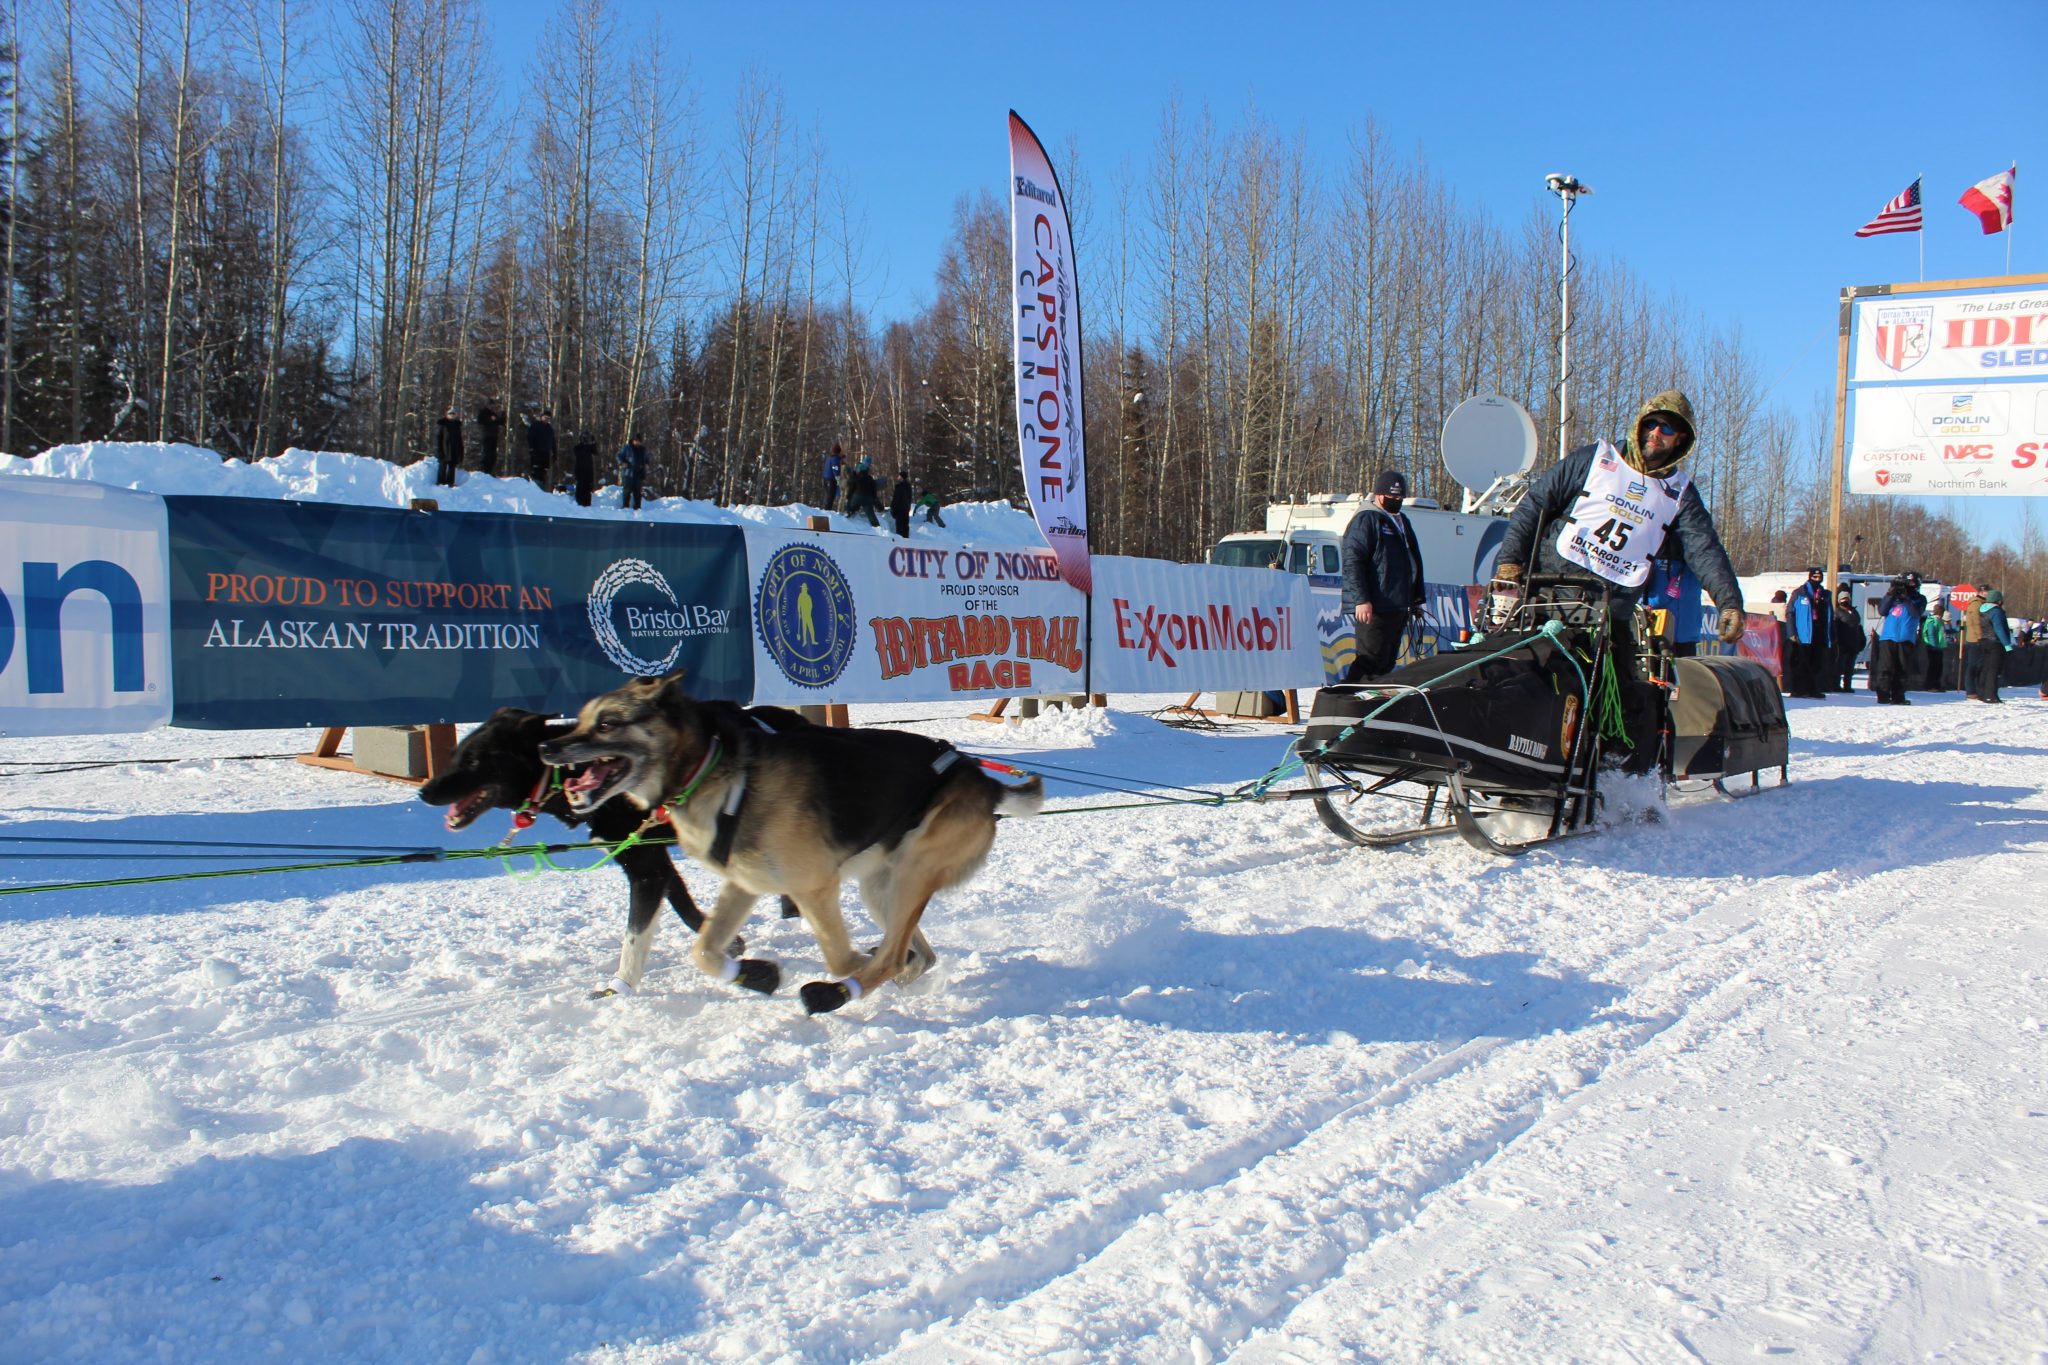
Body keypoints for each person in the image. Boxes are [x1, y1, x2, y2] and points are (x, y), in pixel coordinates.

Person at [1494, 390, 1744, 768]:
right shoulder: (1596, 459)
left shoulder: (1679, 494)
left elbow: (1703, 548)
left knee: (1622, 700)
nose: (1658, 433)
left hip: (1612, 610)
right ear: (1641, 423)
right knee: (1530, 678)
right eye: (1653, 423)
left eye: (1670, 428)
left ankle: (1612, 776)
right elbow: (1536, 504)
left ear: (1681, 439)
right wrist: (1509, 560)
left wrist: (1729, 601)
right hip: (1548, 592)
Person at [1340, 469, 1426, 682]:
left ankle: (1375, 705)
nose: (1396, 501)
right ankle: (1346, 702)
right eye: (1392, 497)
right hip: (1376, 605)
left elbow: (1411, 561)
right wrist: (1361, 599)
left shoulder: (1402, 521)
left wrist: (1414, 598)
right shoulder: (1367, 519)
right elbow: (1353, 561)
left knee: (1386, 663)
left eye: (1400, 498)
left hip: (1397, 604)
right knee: (1369, 661)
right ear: (1379, 496)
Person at [1870, 573, 1925, 705]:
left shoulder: (1919, 599)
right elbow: (1882, 610)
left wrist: (1907, 598)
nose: (1909, 586)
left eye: (1912, 583)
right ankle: (1883, 695)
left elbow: (1916, 612)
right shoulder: (1894, 597)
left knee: (1902, 668)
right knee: (1885, 667)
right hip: (1888, 637)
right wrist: (1891, 593)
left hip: (1906, 638)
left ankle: (1898, 696)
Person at [1783, 566, 1833, 699]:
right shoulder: (1800, 593)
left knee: (1816, 664)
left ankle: (1813, 689)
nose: (1817, 580)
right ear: (1809, 577)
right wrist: (1791, 632)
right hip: (1802, 634)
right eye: (1814, 577)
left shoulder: (1825, 594)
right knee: (1800, 663)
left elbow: (1829, 615)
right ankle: (1798, 689)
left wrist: (1830, 635)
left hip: (1819, 632)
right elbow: (1790, 613)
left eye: (1820, 577)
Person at [1969, 587, 2013, 703]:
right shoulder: (1996, 611)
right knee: (1994, 670)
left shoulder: (1982, 610)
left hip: (1984, 641)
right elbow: (1999, 629)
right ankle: (1991, 695)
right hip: (1995, 643)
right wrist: (2007, 645)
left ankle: (1982, 693)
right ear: (1998, 600)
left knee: (1985, 668)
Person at [1832, 587, 1863, 692]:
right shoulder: (1837, 612)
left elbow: (1859, 626)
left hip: (1854, 642)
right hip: (1842, 643)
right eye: (1843, 599)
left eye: (1846, 599)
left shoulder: (1854, 611)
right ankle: (1836, 684)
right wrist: (1836, 640)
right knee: (1840, 665)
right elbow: (1835, 627)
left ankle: (1847, 685)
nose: (1845, 601)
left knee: (1850, 667)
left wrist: (1862, 639)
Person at [1919, 598, 1951, 691]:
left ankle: (1937, 685)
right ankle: (1930, 685)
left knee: (1938, 667)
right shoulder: (1932, 621)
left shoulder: (1939, 621)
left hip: (1939, 647)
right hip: (1933, 647)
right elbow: (1931, 634)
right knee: (1933, 666)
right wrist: (1934, 646)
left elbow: (1941, 632)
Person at [524, 409, 557, 488]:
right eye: (545, 417)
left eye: (548, 418)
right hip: (536, 451)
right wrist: (531, 448)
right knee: (536, 470)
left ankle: (541, 489)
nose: (547, 419)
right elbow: (530, 437)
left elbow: (553, 441)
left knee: (544, 472)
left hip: (546, 453)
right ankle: (534, 488)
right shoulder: (536, 425)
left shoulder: (549, 429)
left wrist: (555, 453)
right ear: (542, 417)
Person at [845, 458, 882, 527]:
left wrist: (848, 497)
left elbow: (852, 489)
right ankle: (877, 527)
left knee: (851, 506)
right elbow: (873, 491)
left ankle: (848, 514)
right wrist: (873, 499)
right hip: (867, 499)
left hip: (857, 497)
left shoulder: (857, 478)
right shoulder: (870, 478)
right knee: (871, 515)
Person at [616, 434, 649, 511]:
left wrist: (647, 464)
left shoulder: (642, 450)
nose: (637, 443)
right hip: (628, 473)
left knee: (638, 492)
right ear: (633, 441)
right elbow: (619, 456)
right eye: (636, 441)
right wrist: (622, 463)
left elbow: (646, 458)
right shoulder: (627, 448)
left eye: (639, 441)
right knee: (627, 491)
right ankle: (625, 506)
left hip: (638, 473)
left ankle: (637, 507)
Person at [434, 407, 463, 487]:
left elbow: (460, 440)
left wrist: (461, 453)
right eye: (450, 413)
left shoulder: (457, 425)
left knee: (452, 467)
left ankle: (450, 483)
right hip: (444, 448)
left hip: (454, 449)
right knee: (442, 465)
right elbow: (438, 438)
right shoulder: (443, 424)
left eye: (453, 413)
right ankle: (440, 482)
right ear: (447, 415)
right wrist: (439, 450)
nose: (452, 415)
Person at [474, 400, 504, 477]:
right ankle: (484, 470)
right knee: (486, 453)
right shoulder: (483, 412)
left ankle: (490, 470)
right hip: (486, 435)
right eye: (490, 405)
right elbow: (480, 421)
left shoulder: (493, 413)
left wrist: (502, 415)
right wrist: (490, 419)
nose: (492, 407)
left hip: (494, 435)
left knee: (493, 455)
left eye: (493, 405)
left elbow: (500, 422)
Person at [571, 434, 598, 509]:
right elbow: (580, 453)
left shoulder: (589, 448)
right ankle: (579, 502)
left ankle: (587, 504)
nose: (586, 440)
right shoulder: (577, 447)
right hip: (580, 470)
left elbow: (595, 452)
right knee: (580, 486)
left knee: (588, 487)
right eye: (584, 438)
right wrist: (586, 446)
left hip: (588, 470)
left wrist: (593, 443)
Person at [890, 470, 914, 538]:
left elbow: (896, 498)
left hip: (899, 509)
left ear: (901, 477)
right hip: (906, 509)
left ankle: (900, 541)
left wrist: (892, 507)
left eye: (899, 476)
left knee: (899, 526)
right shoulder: (909, 487)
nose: (898, 477)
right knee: (905, 525)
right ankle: (906, 540)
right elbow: (909, 498)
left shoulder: (899, 486)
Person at [822, 443, 844, 510]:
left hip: (825, 478)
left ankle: (826, 508)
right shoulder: (835, 459)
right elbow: (835, 469)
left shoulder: (829, 458)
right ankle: (827, 510)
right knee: (830, 497)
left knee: (827, 496)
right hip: (831, 480)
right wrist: (838, 479)